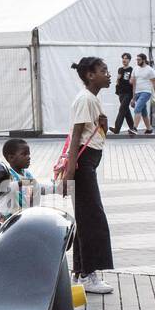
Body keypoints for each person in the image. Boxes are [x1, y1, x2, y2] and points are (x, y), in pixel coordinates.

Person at [58, 56, 114, 294]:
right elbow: (76, 133)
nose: (109, 74)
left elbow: (95, 133)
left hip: (88, 162)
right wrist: (71, 169)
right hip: (82, 163)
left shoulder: (92, 99)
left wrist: (104, 125)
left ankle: (80, 274)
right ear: (90, 75)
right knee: (93, 217)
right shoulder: (85, 99)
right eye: (103, 70)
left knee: (87, 217)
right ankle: (89, 275)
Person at [132, 53, 155, 134]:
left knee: (137, 108)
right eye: (136, 59)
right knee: (143, 112)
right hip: (137, 93)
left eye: (139, 59)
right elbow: (134, 83)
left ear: (144, 60)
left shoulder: (150, 70)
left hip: (146, 92)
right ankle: (149, 129)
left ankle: (134, 128)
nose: (137, 61)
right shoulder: (135, 69)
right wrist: (133, 98)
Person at [111, 53, 138, 135]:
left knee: (122, 110)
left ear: (129, 60)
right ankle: (132, 128)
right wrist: (117, 83)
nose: (124, 60)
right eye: (123, 58)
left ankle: (117, 129)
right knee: (126, 111)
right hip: (121, 92)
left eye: (126, 58)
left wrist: (133, 96)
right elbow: (118, 80)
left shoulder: (131, 70)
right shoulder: (120, 69)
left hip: (128, 92)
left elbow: (133, 83)